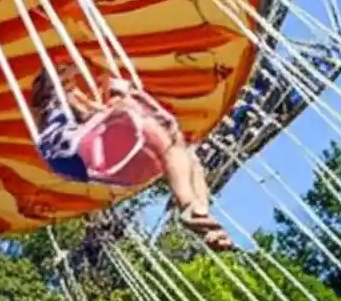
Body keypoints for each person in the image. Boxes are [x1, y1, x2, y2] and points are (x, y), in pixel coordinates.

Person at [30, 65, 234, 251]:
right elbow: (89, 112)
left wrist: (112, 94)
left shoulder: (58, 106)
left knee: (186, 153)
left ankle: (201, 213)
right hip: (72, 149)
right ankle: (189, 205)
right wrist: (120, 93)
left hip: (83, 162)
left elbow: (93, 114)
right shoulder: (57, 99)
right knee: (157, 128)